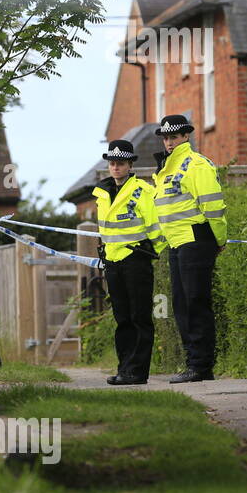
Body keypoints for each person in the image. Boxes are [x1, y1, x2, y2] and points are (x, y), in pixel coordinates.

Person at [152, 115, 227, 383]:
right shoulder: (166, 169)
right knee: (183, 305)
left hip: (197, 239)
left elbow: (213, 207)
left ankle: (201, 366)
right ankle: (194, 363)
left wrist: (219, 239)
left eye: (174, 136)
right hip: (178, 243)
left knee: (196, 303)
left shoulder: (196, 164)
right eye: (165, 137)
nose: (169, 141)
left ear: (186, 136)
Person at [93, 140, 165, 386]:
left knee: (139, 317)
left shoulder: (142, 191)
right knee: (122, 318)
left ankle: (137, 371)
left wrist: (156, 250)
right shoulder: (102, 193)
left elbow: (156, 226)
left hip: (136, 259)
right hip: (112, 261)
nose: (115, 167)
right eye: (112, 163)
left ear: (130, 164)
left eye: (120, 163)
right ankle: (124, 368)